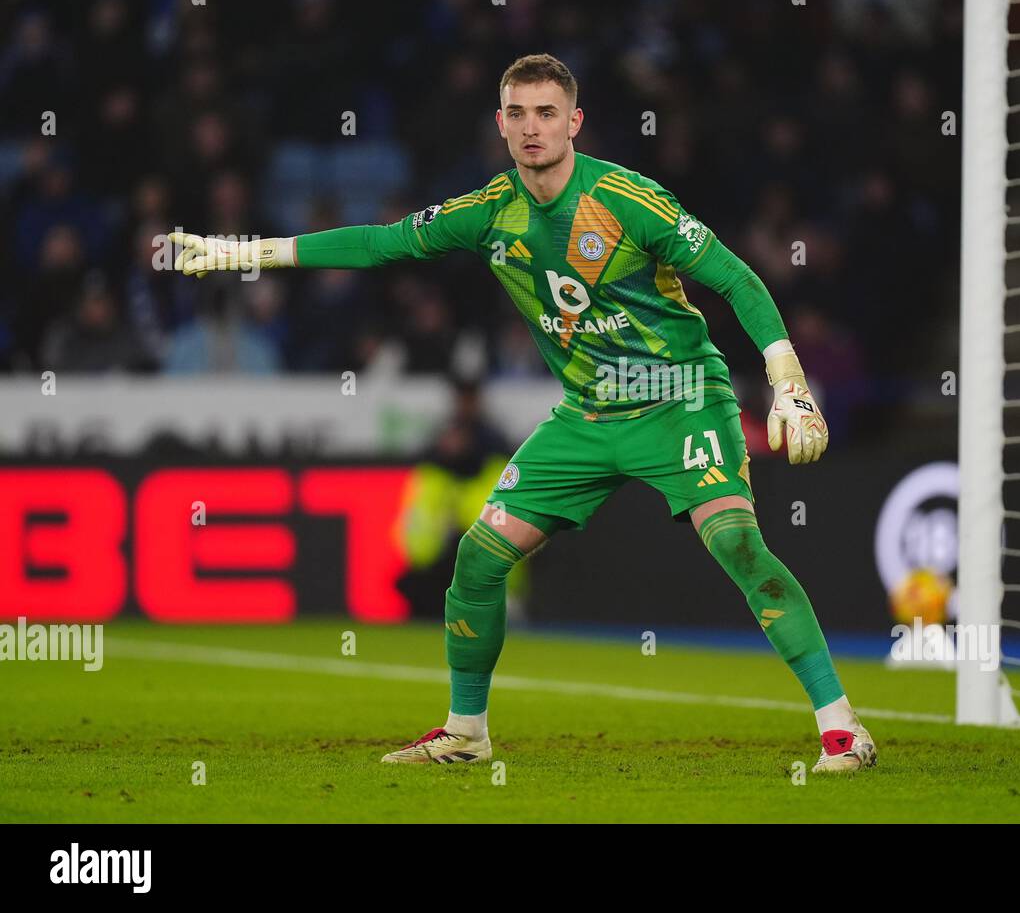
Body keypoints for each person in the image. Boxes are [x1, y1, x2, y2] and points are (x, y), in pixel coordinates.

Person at [170, 53, 876, 773]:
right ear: (500, 124)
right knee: (477, 558)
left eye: (547, 113)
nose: (532, 127)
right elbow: (379, 245)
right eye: (518, 113)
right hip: (586, 416)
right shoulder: (488, 212)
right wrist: (238, 252)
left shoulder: (629, 199)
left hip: (682, 401)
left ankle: (842, 726)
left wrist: (786, 375)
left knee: (737, 545)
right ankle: (466, 731)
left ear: (574, 122)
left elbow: (734, 275)